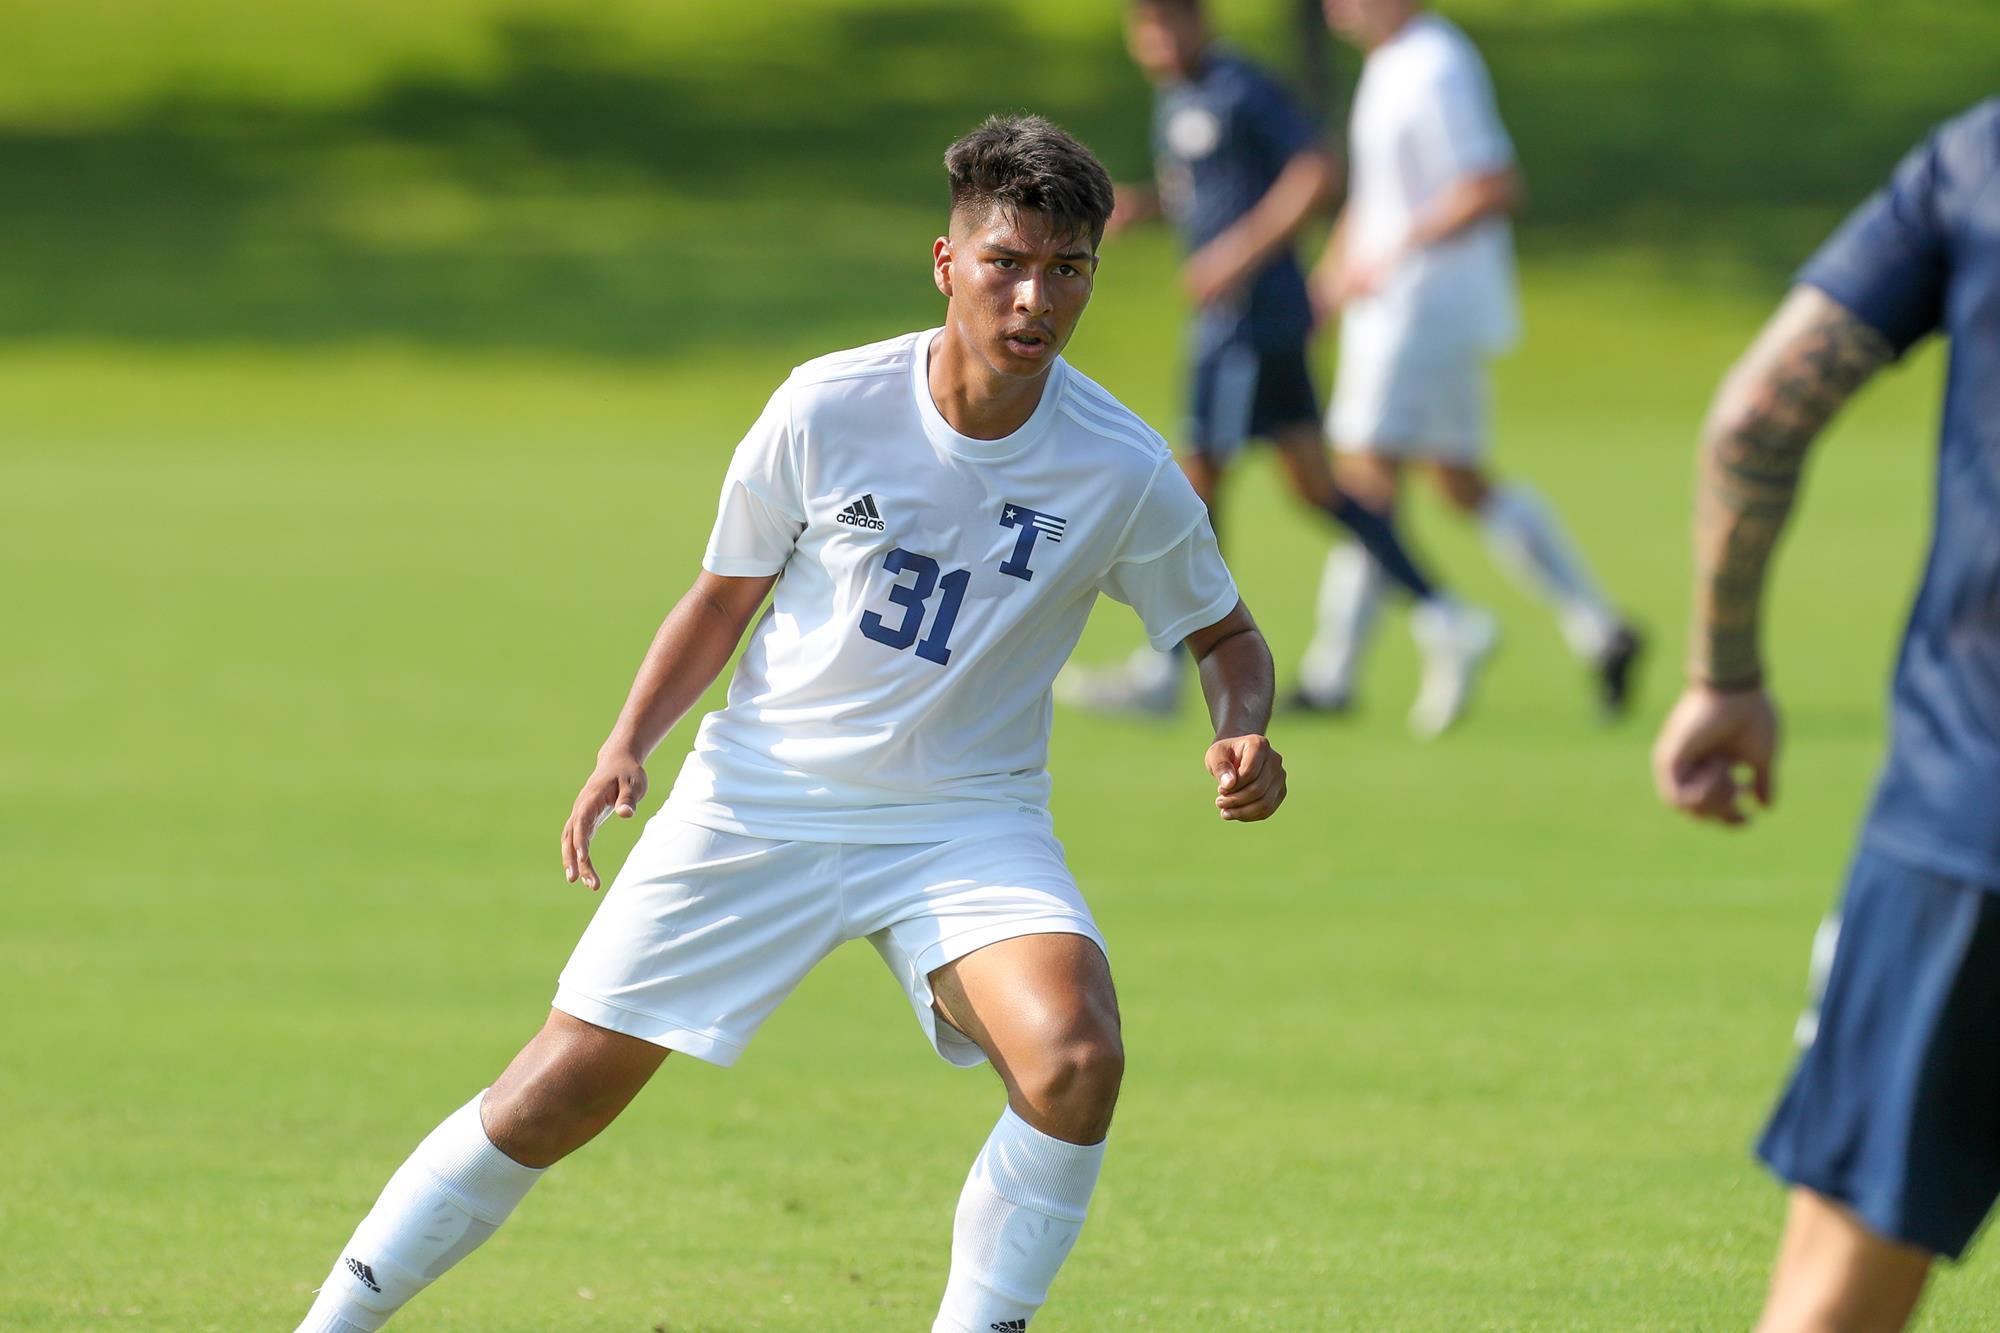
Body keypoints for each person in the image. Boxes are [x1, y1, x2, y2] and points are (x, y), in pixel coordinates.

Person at [291, 115, 1287, 1333]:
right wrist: (628, 743)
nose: (1035, 297)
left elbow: (1225, 634)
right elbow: (722, 596)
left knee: (1076, 1059)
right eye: (1006, 263)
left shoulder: (1120, 467)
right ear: (944, 260)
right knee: (552, 1095)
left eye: (1067, 270)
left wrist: (1241, 727)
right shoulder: (827, 405)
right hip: (762, 795)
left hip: (962, 823)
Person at [1653, 99, 2000, 1332]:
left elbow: (1757, 411)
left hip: (1968, 822)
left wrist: (1724, 674)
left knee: (1829, 1305)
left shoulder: (1976, 158)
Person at [1059, 0, 1497, 739]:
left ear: (1202, 24)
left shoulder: (1240, 88)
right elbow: (1210, 187)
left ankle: (1165, 667)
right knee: (1316, 486)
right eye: (1146, 28)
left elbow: (1316, 169)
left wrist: (1238, 252)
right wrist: (1143, 206)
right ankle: (1448, 614)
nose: (1159, 42)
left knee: (1194, 481)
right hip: (1248, 323)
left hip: (1249, 321)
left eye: (1171, 24)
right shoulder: (1181, 100)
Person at [1306, 0, 1640, 718]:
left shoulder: (1437, 64)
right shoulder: (1392, 63)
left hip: (1420, 307)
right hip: (1413, 306)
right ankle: (1600, 626)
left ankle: (1335, 672)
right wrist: (1329, 284)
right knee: (1459, 483)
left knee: (1365, 477)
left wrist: (1394, 250)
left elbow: (1488, 183)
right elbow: (1378, 197)